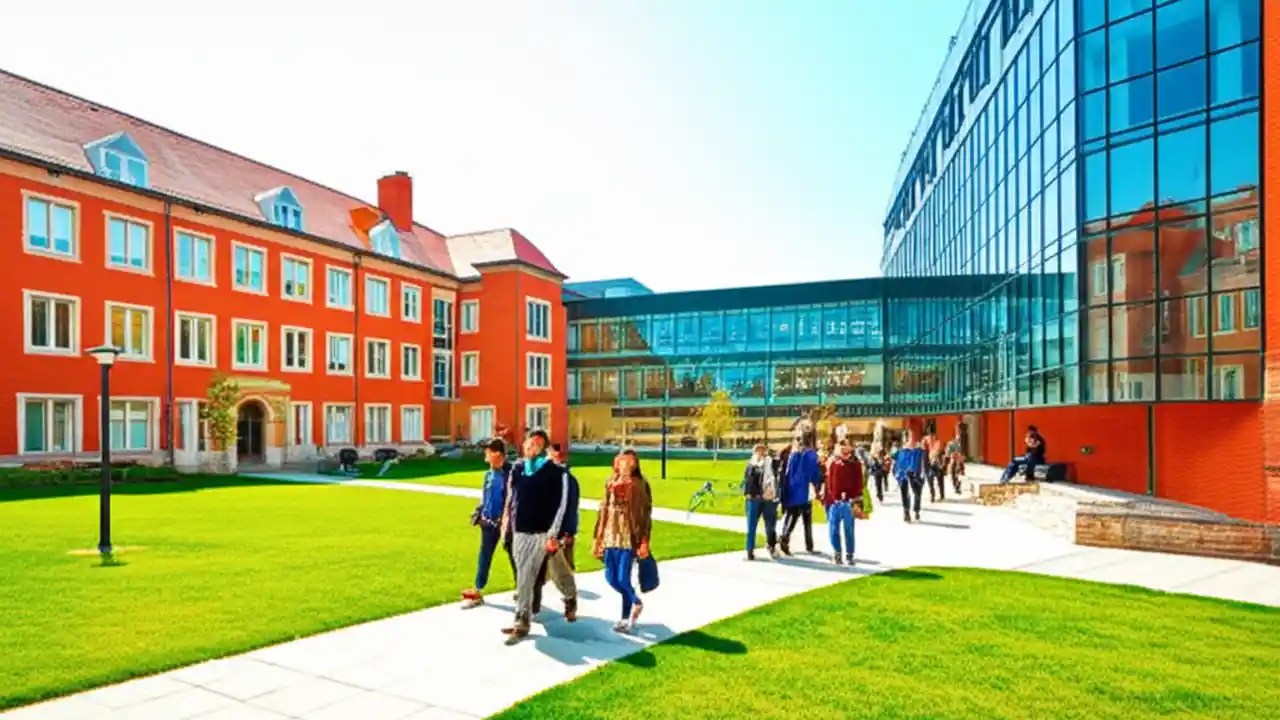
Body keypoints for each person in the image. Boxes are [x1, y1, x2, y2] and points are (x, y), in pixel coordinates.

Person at [501, 430, 573, 644]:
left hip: (543, 532)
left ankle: (568, 597)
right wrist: (507, 523)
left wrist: (554, 534)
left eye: (538, 444)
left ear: (544, 448)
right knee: (526, 574)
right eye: (530, 442)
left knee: (551, 570)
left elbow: (561, 505)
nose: (532, 446)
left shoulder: (555, 472)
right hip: (520, 531)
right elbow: (512, 498)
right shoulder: (518, 469)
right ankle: (523, 619)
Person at [592, 449, 653, 634]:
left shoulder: (639, 485)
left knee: (623, 578)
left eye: (629, 461)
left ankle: (629, 612)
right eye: (621, 461)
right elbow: (603, 512)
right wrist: (597, 538)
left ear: (634, 464)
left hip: (628, 537)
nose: (624, 464)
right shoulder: (610, 483)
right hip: (610, 535)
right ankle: (633, 602)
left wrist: (644, 541)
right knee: (611, 578)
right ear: (616, 463)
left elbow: (645, 516)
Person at [461, 439, 514, 609]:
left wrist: (506, 520)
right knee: (484, 556)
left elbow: (513, 499)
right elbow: (485, 498)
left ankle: (524, 589)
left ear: (497, 454)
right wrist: (479, 512)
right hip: (488, 524)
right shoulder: (488, 474)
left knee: (515, 557)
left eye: (488, 451)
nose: (485, 454)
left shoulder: (510, 474)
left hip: (506, 525)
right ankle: (477, 590)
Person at [533, 442, 580, 622]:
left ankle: (570, 599)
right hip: (535, 531)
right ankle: (530, 604)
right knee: (533, 569)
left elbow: (570, 507)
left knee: (558, 569)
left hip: (556, 533)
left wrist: (567, 532)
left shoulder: (567, 479)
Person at [780, 428, 822, 556]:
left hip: (793, 489)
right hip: (805, 490)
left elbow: (788, 473)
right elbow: (814, 473)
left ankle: (785, 537)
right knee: (806, 519)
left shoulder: (793, 455)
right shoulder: (811, 455)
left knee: (791, 516)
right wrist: (818, 484)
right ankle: (806, 545)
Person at [822, 440, 863, 565]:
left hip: (850, 501)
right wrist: (828, 497)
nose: (844, 449)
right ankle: (837, 552)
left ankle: (849, 554)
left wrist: (855, 498)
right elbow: (828, 482)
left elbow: (859, 482)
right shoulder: (833, 463)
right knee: (833, 529)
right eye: (841, 446)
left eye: (846, 446)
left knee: (849, 529)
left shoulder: (855, 463)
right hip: (834, 501)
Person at [742, 444, 780, 560]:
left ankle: (771, 545)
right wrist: (747, 494)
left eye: (762, 450)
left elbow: (776, 478)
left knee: (770, 525)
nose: (760, 452)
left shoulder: (770, 463)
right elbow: (747, 482)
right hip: (753, 499)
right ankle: (750, 550)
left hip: (767, 499)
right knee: (751, 526)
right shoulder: (750, 465)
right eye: (758, 450)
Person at [893, 431, 926, 523]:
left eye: (913, 437)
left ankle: (916, 511)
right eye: (909, 437)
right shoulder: (901, 451)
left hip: (916, 474)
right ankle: (906, 512)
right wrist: (897, 474)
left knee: (917, 493)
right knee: (904, 493)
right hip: (903, 474)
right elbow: (895, 460)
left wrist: (922, 474)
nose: (911, 440)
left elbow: (924, 462)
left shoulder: (919, 450)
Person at [921, 428, 946, 502]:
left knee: (931, 479)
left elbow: (924, 452)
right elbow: (942, 451)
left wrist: (925, 466)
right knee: (939, 479)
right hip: (936, 461)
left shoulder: (925, 439)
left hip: (931, 461)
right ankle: (940, 495)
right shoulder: (938, 439)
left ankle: (933, 495)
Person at [945, 430, 965, 494]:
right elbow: (948, 453)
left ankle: (957, 486)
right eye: (958, 436)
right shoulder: (952, 443)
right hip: (954, 460)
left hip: (957, 461)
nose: (959, 437)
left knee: (956, 474)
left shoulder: (961, 444)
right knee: (954, 474)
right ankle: (956, 486)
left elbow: (948, 453)